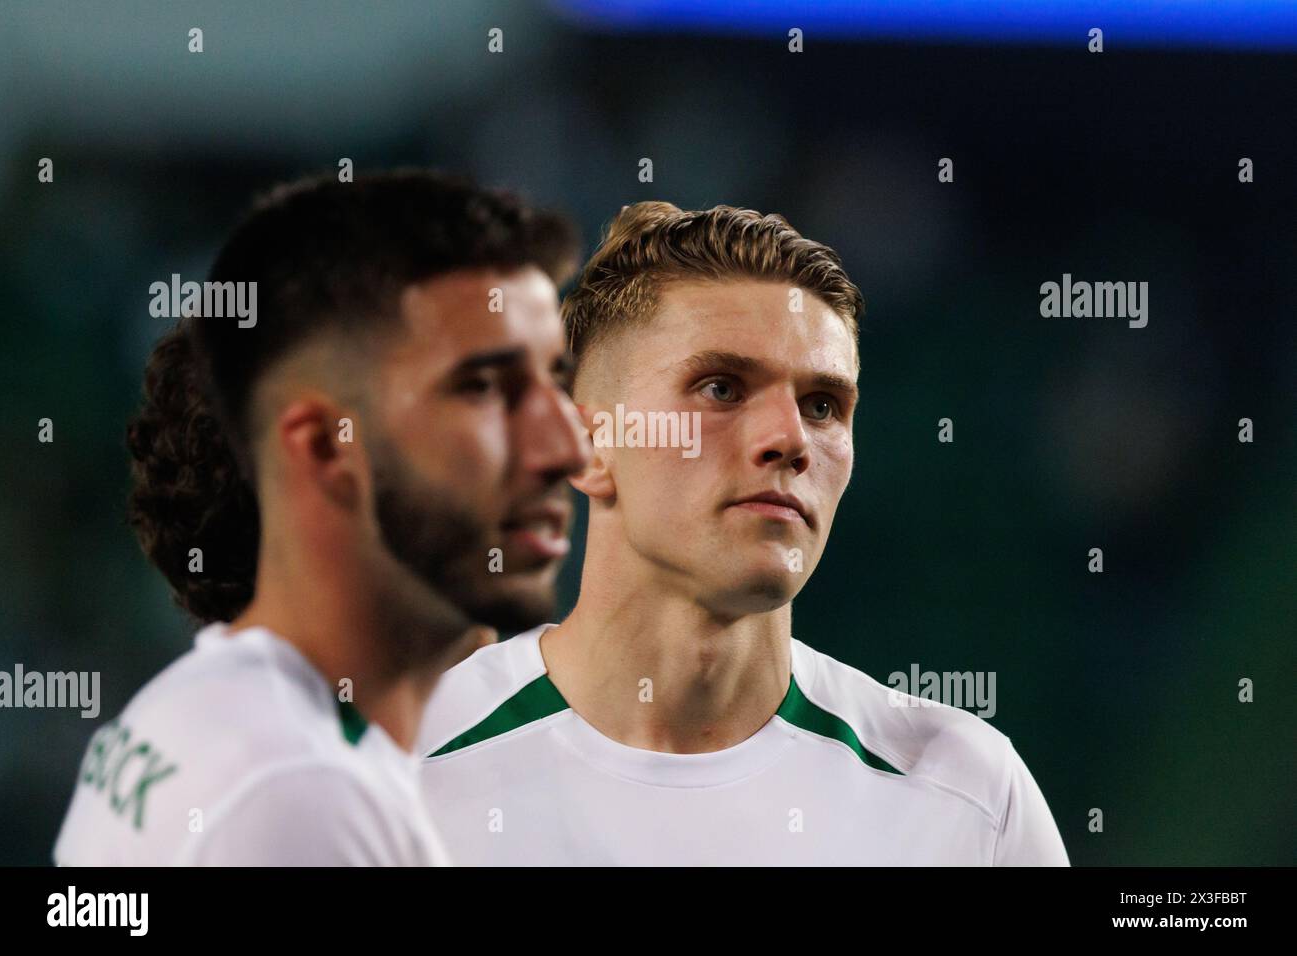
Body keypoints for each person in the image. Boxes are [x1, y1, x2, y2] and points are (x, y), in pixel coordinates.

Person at [416, 201, 1071, 865]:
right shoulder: (396, 777)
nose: (790, 439)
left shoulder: (964, 800)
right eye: (722, 389)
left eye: (822, 405)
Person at [54, 170, 590, 865]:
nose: (567, 445)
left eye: (557, 379)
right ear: (320, 448)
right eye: (483, 388)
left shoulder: (187, 715)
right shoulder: (304, 796)